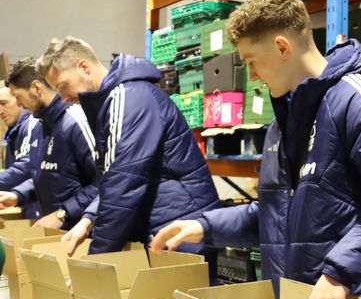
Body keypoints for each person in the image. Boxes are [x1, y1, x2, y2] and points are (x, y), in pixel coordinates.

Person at [151, 0, 361, 299]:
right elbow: (274, 215)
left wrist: (341, 271)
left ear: (282, 47)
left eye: (252, 62)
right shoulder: (282, 125)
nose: (254, 76)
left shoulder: (359, 100)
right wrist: (205, 226)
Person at [37, 37, 221, 256]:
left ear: (84, 67)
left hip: (180, 233)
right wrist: (88, 220)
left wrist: (94, 261)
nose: (63, 98)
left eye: (63, 87)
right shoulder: (114, 102)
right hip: (167, 230)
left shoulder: (130, 98)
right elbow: (113, 176)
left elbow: (121, 187)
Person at [0, 59, 99, 230]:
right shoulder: (40, 126)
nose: (19, 105)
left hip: (84, 233)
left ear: (36, 88)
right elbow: (48, 176)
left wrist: (63, 214)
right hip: (59, 234)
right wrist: (18, 195)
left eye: (17, 97)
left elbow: (104, 183)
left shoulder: (75, 121)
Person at [0, 85, 41, 219]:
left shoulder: (30, 124)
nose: (0, 111)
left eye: (3, 103)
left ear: (18, 100)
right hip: (26, 203)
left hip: (39, 208)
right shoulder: (13, 131)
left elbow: (26, 167)